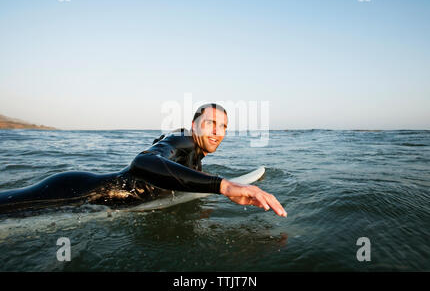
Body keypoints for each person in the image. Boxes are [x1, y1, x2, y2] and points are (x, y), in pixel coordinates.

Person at [0, 104, 286, 217]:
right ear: (193, 124)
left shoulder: (195, 157)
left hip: (88, 193)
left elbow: (180, 180)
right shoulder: (182, 139)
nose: (217, 131)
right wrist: (224, 187)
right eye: (210, 122)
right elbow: (143, 164)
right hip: (78, 193)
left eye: (223, 126)